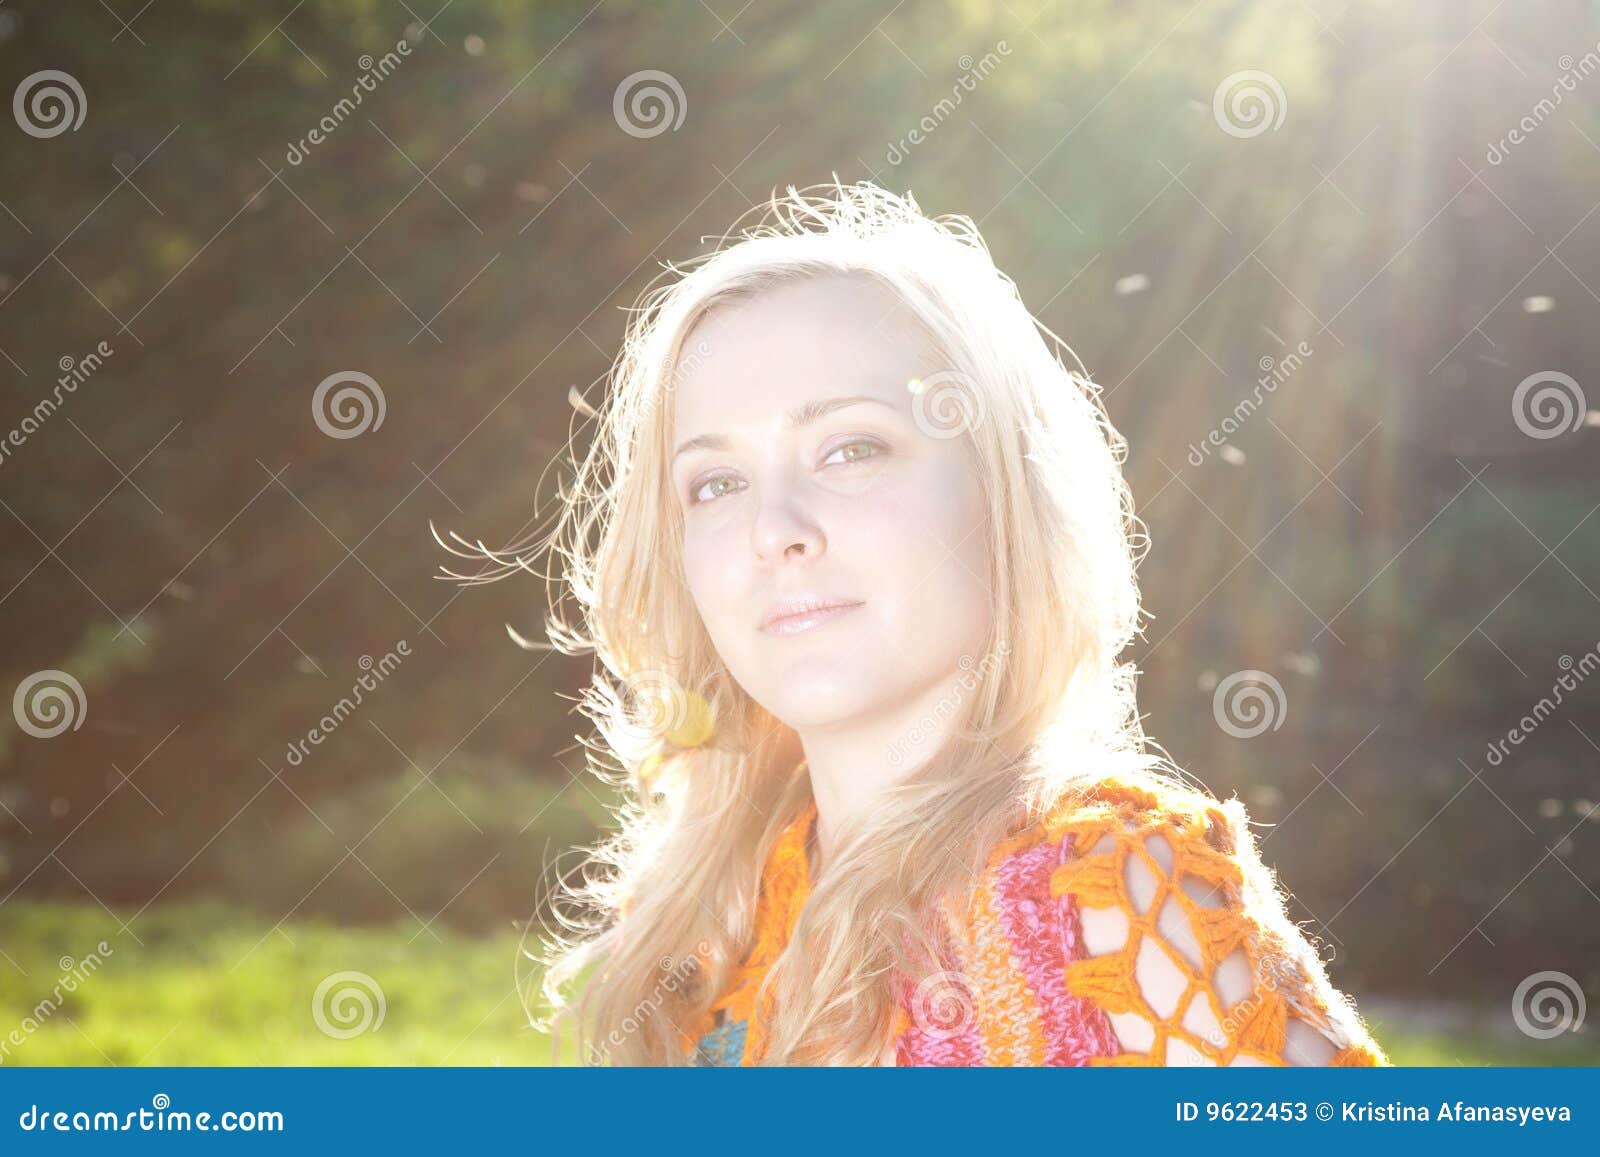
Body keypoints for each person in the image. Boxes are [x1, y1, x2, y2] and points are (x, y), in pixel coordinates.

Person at [493, 178, 1390, 1067]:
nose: (774, 529)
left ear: (1006, 492)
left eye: (851, 447)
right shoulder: (707, 935)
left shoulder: (1108, 893)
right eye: (716, 482)